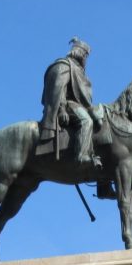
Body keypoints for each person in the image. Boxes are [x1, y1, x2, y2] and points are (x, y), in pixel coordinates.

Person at [40, 37, 100, 168]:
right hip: (68, 105)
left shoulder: (79, 71)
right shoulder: (65, 65)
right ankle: (82, 156)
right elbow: (58, 88)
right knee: (86, 121)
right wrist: (61, 109)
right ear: (80, 53)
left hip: (78, 106)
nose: (86, 59)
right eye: (85, 55)